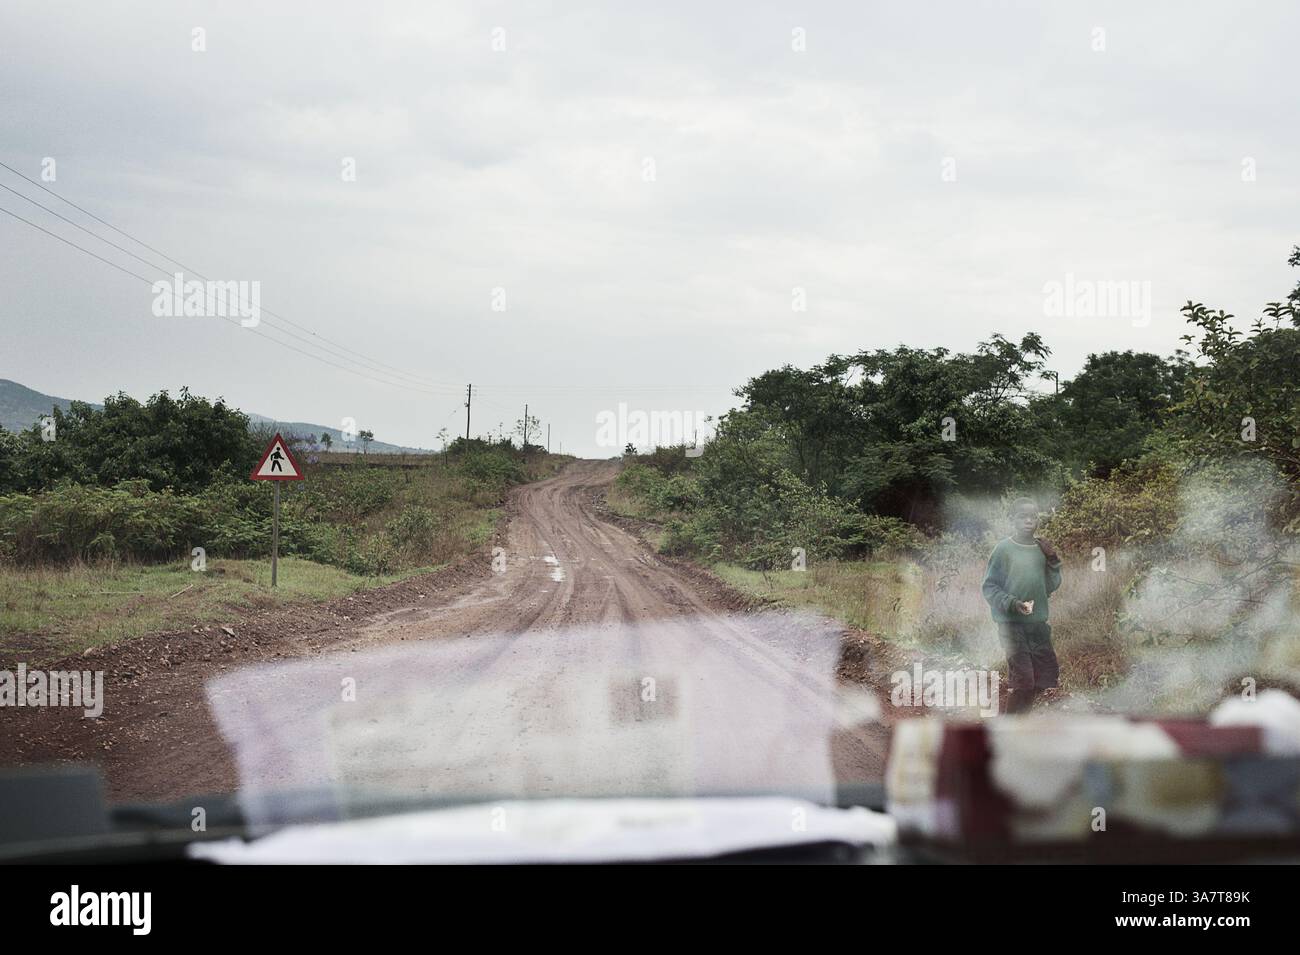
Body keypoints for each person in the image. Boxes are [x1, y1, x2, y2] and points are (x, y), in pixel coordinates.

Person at [981, 497, 1063, 714]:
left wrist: (1053, 560)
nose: (1029, 521)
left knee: (1046, 678)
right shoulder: (1003, 550)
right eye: (1022, 516)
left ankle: (1022, 721)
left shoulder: (1041, 549)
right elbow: (989, 587)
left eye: (1033, 516)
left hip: (1038, 626)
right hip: (1011, 626)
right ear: (1012, 519)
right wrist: (1012, 603)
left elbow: (1050, 585)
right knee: (1023, 680)